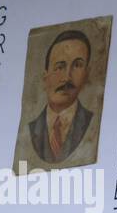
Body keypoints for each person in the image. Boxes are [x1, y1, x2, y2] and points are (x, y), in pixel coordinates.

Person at [27, 29, 94, 163]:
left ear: (86, 75)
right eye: (59, 67)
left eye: (77, 65)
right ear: (45, 77)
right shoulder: (29, 129)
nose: (67, 78)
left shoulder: (93, 123)